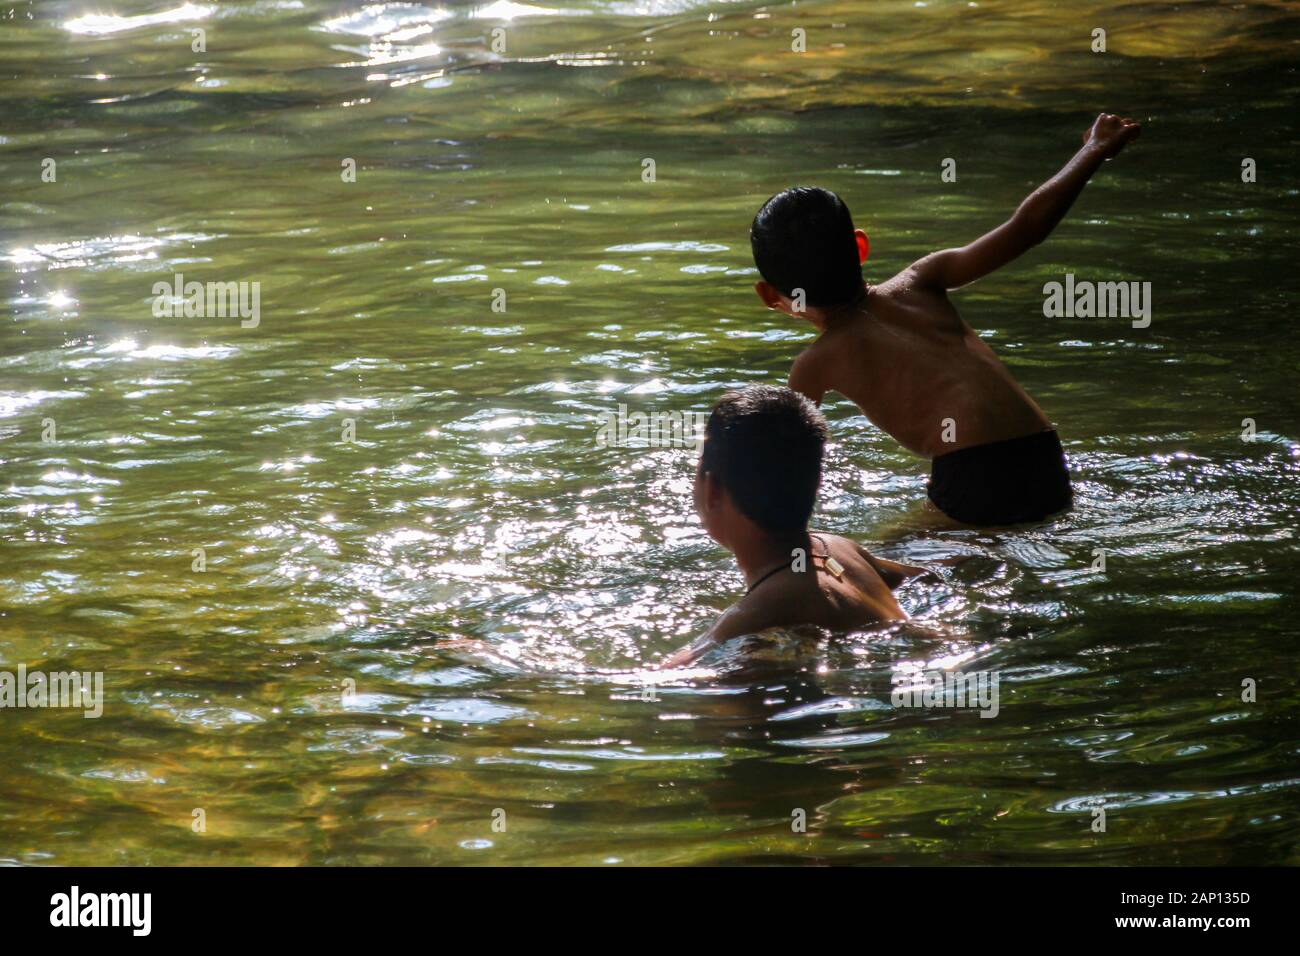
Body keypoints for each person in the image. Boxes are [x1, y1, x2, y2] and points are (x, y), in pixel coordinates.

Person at [749, 113, 1142, 525]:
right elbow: (1026, 228)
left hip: (975, 472)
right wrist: (1094, 149)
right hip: (1045, 456)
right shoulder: (924, 278)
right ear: (860, 246)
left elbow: (787, 467)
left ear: (768, 294)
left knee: (875, 571)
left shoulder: (814, 364)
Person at [660, 384, 932, 669]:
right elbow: (923, 578)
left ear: (713, 489)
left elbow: (668, 679)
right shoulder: (839, 550)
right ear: (817, 483)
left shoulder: (758, 614)